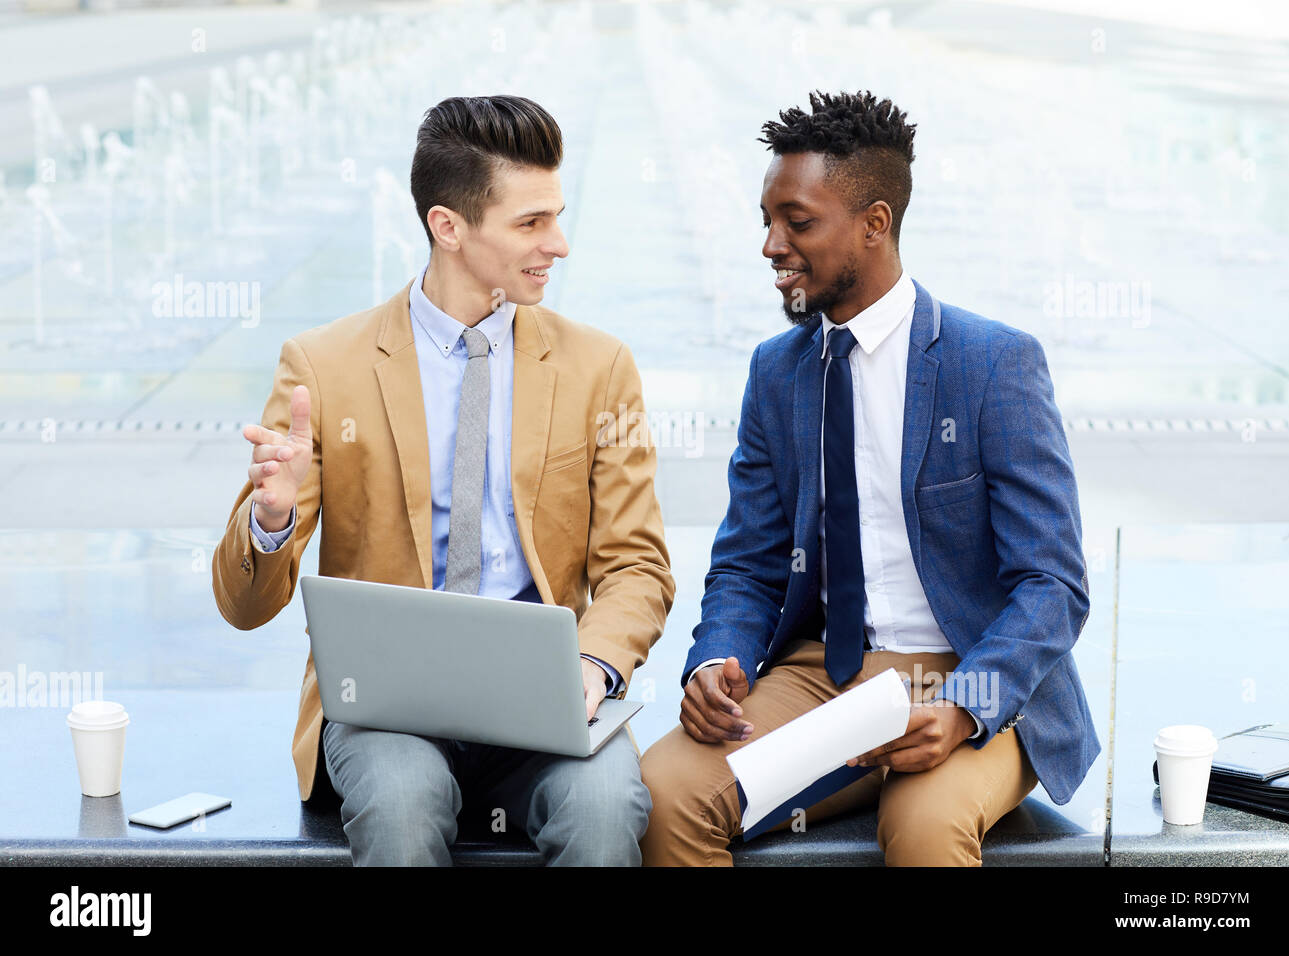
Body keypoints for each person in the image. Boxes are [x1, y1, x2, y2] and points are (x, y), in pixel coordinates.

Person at [211, 94, 674, 866]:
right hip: (389, 710)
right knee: (400, 802)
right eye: (530, 224)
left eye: (556, 216)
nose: (557, 244)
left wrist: (590, 669)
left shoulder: (601, 368)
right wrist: (271, 520)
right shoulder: (323, 368)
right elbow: (244, 607)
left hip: (546, 706)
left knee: (606, 807)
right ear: (448, 227)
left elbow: (637, 566)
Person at [639, 90, 1098, 866]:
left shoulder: (991, 364)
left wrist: (965, 704)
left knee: (923, 826)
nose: (771, 245)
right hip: (825, 672)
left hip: (974, 671)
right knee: (661, 796)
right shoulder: (777, 372)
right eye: (766, 221)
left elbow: (1052, 584)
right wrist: (716, 658)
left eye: (798, 222)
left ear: (875, 224)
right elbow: (749, 562)